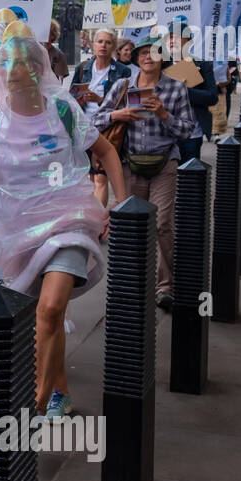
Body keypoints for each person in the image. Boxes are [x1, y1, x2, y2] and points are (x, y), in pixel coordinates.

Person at [0, 18, 125, 417]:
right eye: (5, 67)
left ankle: (33, 403)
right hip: (19, 233)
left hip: (70, 221)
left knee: (50, 310)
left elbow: (108, 153)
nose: (12, 74)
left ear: (37, 68)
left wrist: (120, 203)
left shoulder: (62, 109)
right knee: (38, 317)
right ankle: (60, 390)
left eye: (21, 66)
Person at [94, 34, 195, 311]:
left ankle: (165, 286)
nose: (147, 57)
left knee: (162, 223)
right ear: (136, 58)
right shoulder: (122, 86)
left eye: (153, 52)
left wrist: (164, 115)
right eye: (142, 54)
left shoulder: (176, 89)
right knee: (132, 225)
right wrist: (119, 115)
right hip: (130, 164)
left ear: (163, 57)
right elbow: (94, 120)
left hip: (165, 163)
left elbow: (187, 130)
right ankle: (134, 283)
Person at [70, 29, 130, 205]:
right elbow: (70, 96)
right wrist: (79, 98)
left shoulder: (122, 71)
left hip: (107, 129)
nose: (103, 45)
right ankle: (90, 214)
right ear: (93, 45)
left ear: (114, 47)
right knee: (89, 177)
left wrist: (99, 99)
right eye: (100, 41)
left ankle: (98, 221)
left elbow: (124, 103)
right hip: (83, 126)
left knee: (101, 178)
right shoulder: (83, 68)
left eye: (108, 42)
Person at [166, 23, 218, 161]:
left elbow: (212, 97)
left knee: (189, 178)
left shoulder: (202, 65)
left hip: (192, 136)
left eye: (177, 37)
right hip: (165, 136)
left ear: (188, 41)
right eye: (170, 37)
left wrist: (185, 91)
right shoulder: (159, 67)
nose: (172, 41)